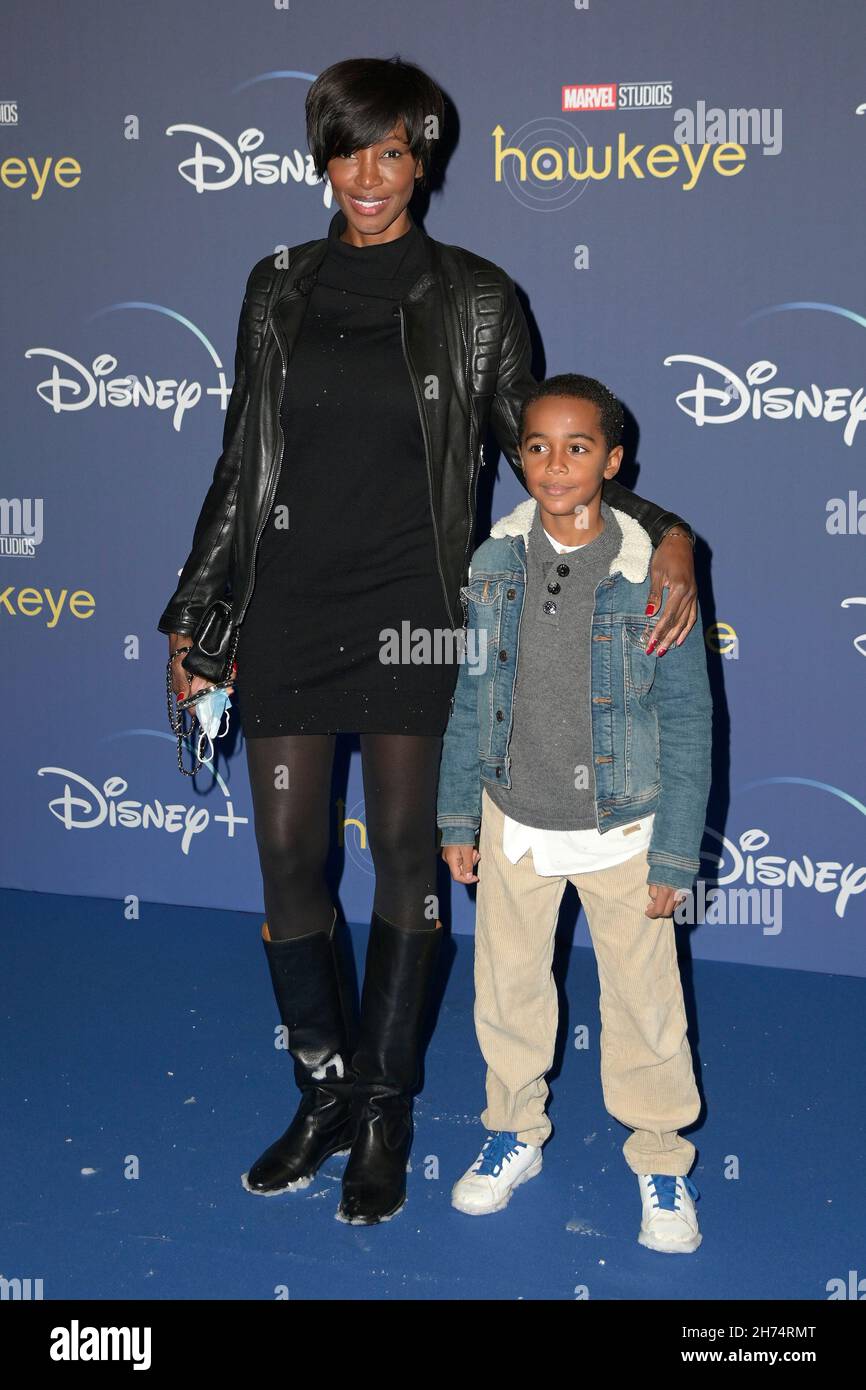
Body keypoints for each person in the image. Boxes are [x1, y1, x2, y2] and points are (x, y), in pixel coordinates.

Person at [158, 55, 700, 1228]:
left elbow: (546, 460)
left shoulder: (477, 298)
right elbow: (240, 459)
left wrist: (666, 534)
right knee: (290, 861)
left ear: (424, 157)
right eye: (346, 151)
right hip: (292, 607)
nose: (367, 176)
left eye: (390, 151)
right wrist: (196, 616)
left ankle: (389, 1104)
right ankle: (325, 1093)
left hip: (414, 616)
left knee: (409, 859)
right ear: (322, 160)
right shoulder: (276, 286)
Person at [438, 374, 712, 1253]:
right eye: (538, 448)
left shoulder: (650, 575)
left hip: (625, 832)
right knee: (508, 995)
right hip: (515, 823)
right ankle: (513, 1129)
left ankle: (661, 1158)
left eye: (579, 447)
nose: (556, 466)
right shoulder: (491, 562)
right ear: (518, 457)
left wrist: (674, 857)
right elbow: (471, 696)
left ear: (615, 460)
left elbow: (687, 720)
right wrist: (457, 817)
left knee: (643, 1005)